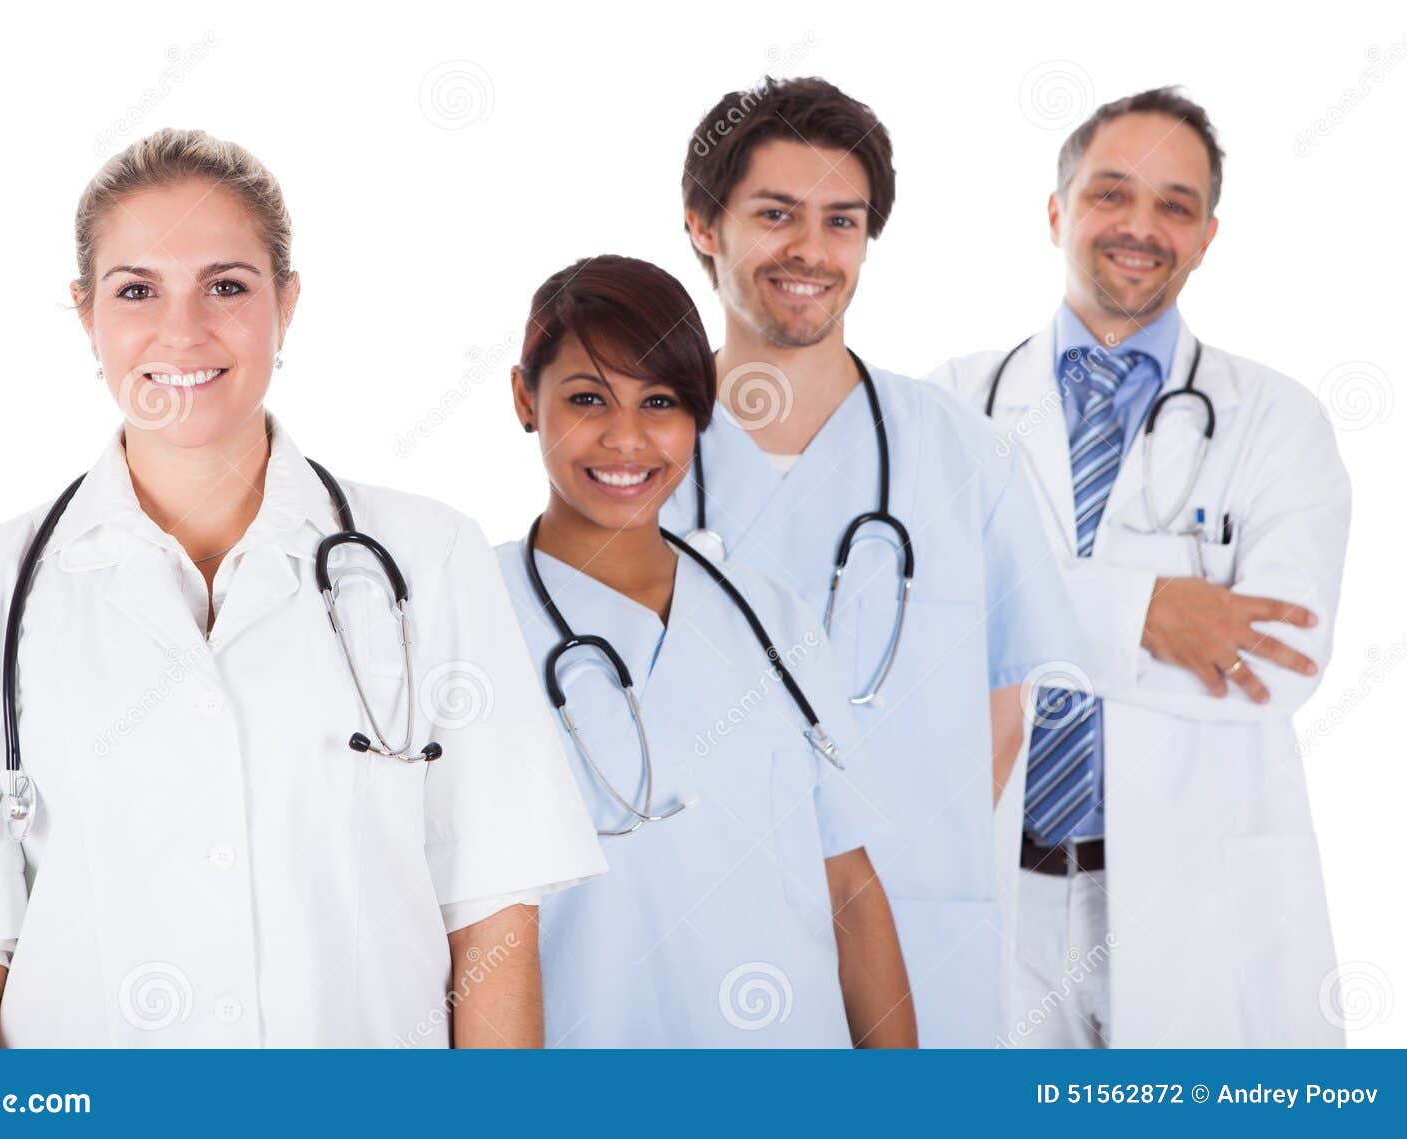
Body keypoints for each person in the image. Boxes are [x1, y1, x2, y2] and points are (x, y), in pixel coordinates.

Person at [0, 128, 605, 1048]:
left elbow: (491, 918)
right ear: (86, 314)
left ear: (286, 305)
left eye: (227, 286)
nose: (183, 331)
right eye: (137, 290)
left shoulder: (426, 558)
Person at [661, 77, 1085, 1046]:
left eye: (840, 221)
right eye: (774, 214)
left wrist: (893, 862)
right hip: (698, 933)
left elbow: (1000, 703)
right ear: (702, 225)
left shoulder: (961, 453)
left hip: (919, 925)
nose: (810, 250)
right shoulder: (635, 454)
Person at [928, 87, 1350, 1047]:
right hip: (1000, 886)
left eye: (1176, 205)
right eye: (1112, 193)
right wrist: (1148, 613)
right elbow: (913, 626)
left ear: (1206, 236)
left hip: (1193, 886)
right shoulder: (954, 401)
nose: (1141, 227)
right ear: (1057, 212)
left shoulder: (1278, 421)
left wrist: (1016, 610)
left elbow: (1279, 659)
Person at [498, 254, 916, 1047]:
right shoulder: (472, 614)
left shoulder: (769, 613)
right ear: (526, 397)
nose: (626, 438)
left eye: (660, 401)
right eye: (587, 398)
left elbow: (850, 886)